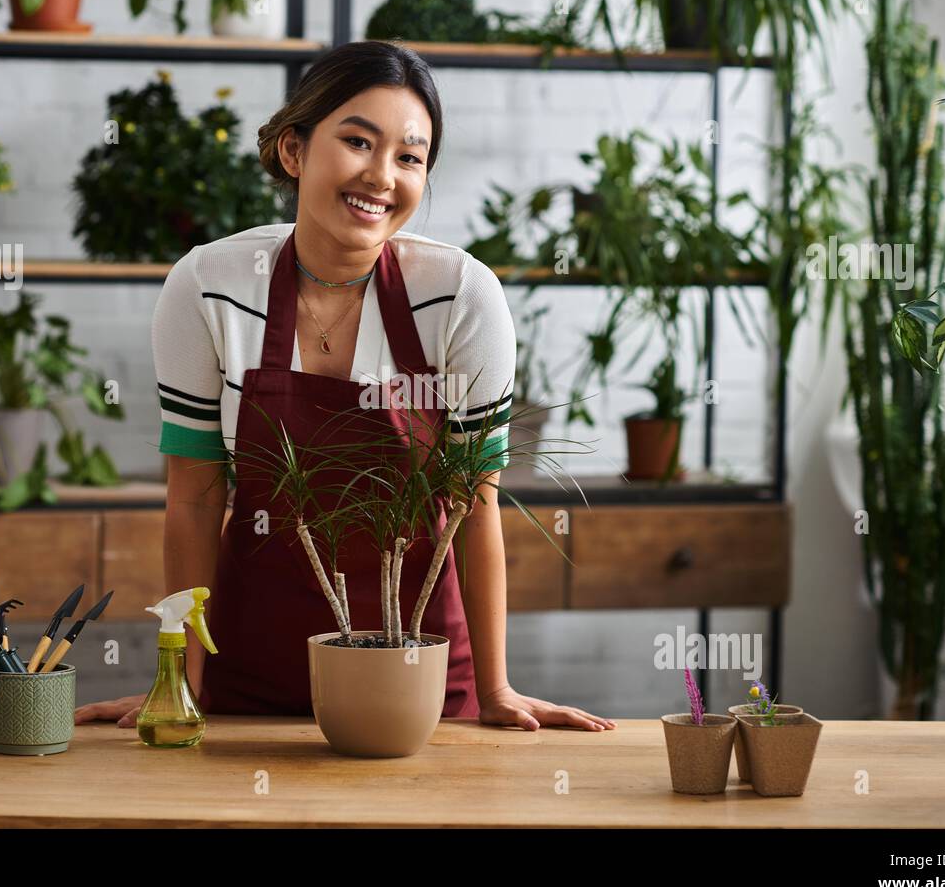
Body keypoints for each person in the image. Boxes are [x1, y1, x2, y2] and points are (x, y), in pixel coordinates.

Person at [76, 40, 615, 733]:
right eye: (358, 141)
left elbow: (475, 508)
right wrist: (178, 685)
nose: (382, 176)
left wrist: (495, 688)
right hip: (251, 674)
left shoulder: (460, 297)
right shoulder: (209, 286)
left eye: (410, 157)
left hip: (417, 677)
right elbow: (193, 498)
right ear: (295, 151)